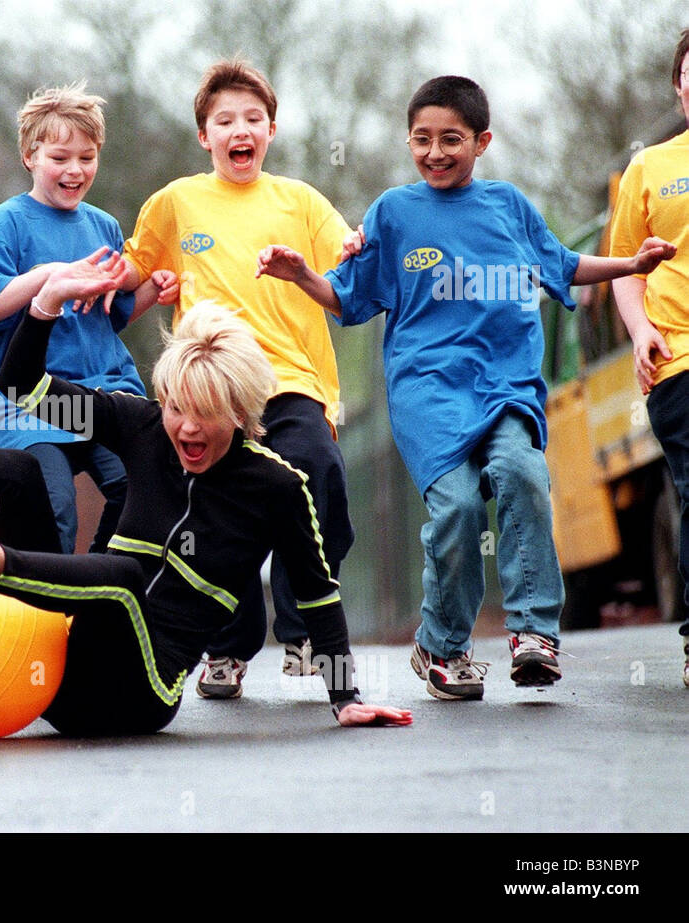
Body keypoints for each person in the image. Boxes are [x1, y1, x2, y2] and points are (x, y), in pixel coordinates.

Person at [0, 257, 411, 735]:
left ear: (241, 414)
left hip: (136, 693)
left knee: (124, 580)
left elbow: (319, 595)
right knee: (25, 476)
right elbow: (23, 388)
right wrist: (44, 304)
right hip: (59, 674)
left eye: (206, 415)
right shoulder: (139, 424)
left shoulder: (279, 485)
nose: (187, 429)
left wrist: (346, 699)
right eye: (177, 409)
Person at [256, 75, 675, 700]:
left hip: (506, 384)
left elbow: (562, 266)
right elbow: (346, 297)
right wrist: (300, 276)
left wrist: (631, 264)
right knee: (456, 507)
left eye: (451, 139)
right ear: (409, 142)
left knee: (523, 476)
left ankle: (534, 632)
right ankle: (442, 644)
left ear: (481, 142)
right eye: (422, 140)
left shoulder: (508, 206)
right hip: (428, 388)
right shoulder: (393, 214)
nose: (435, 152)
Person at [116, 58, 362, 698]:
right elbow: (130, 278)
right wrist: (110, 291)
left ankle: (303, 626)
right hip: (208, 386)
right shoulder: (175, 202)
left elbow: (348, 262)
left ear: (271, 130)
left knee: (316, 472)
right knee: (216, 511)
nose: (239, 129)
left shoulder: (301, 200)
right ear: (206, 136)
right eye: (225, 120)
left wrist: (366, 246)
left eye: (252, 118)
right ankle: (225, 647)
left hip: (288, 378)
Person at [0, 83, 175, 555]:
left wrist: (151, 291)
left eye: (87, 157)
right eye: (60, 157)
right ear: (30, 157)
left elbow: (109, 318)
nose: (75, 170)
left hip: (101, 392)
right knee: (55, 506)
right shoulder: (7, 223)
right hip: (31, 401)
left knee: (143, 489)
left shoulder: (104, 226)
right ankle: (41, 613)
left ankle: (96, 584)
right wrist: (47, 277)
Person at [611, 28, 689, 687]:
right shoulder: (651, 168)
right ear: (679, 87)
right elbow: (624, 268)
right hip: (679, 358)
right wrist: (639, 331)